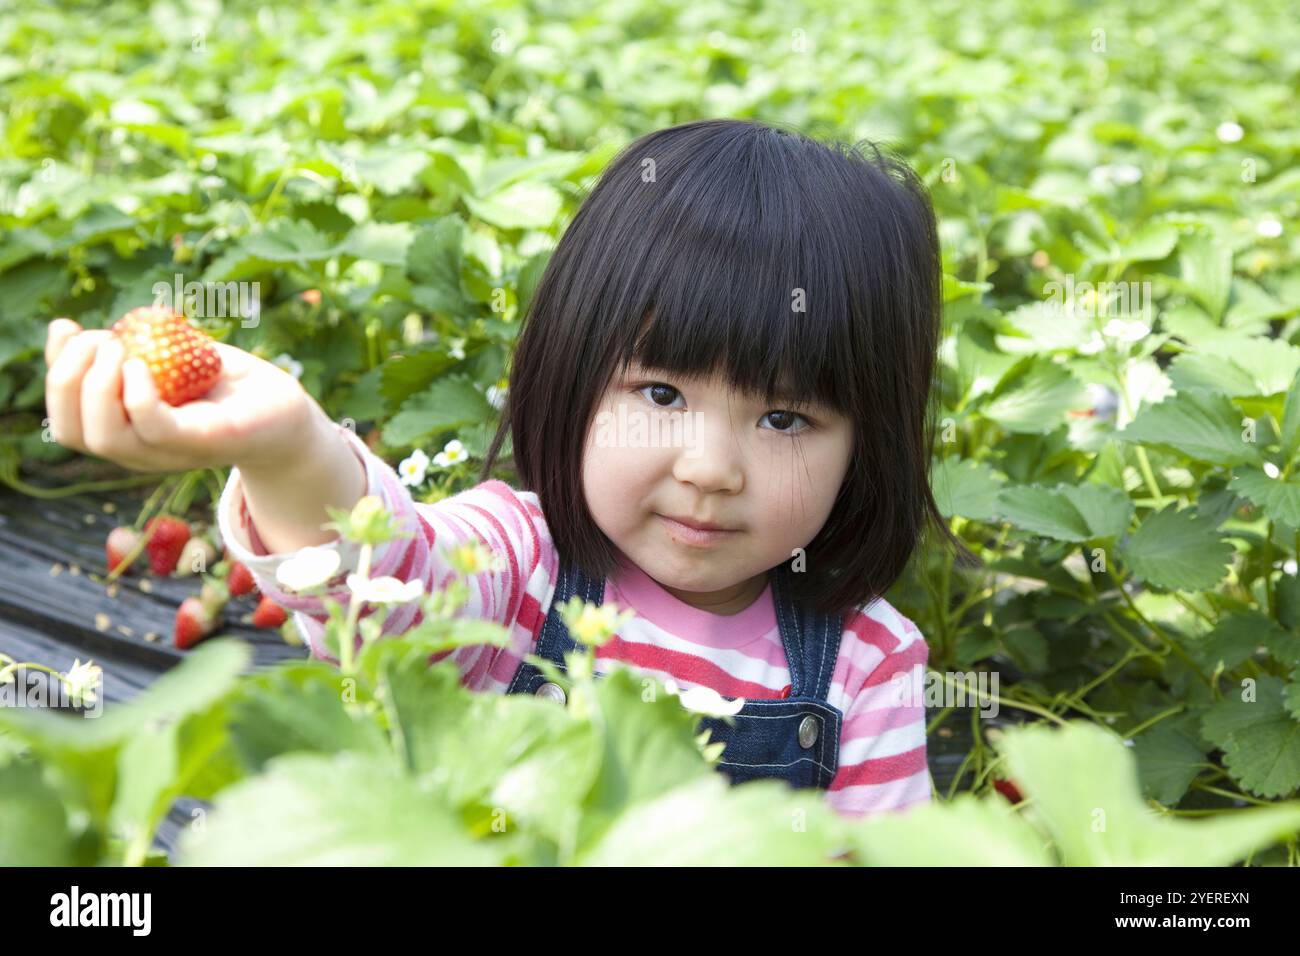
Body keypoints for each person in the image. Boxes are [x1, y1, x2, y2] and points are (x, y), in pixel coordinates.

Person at [43, 118, 964, 820]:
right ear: (571, 371)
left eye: (784, 416)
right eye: (661, 396)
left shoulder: (864, 668)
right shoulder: (516, 569)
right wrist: (288, 446)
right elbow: (381, 574)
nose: (712, 468)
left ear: (868, 440)